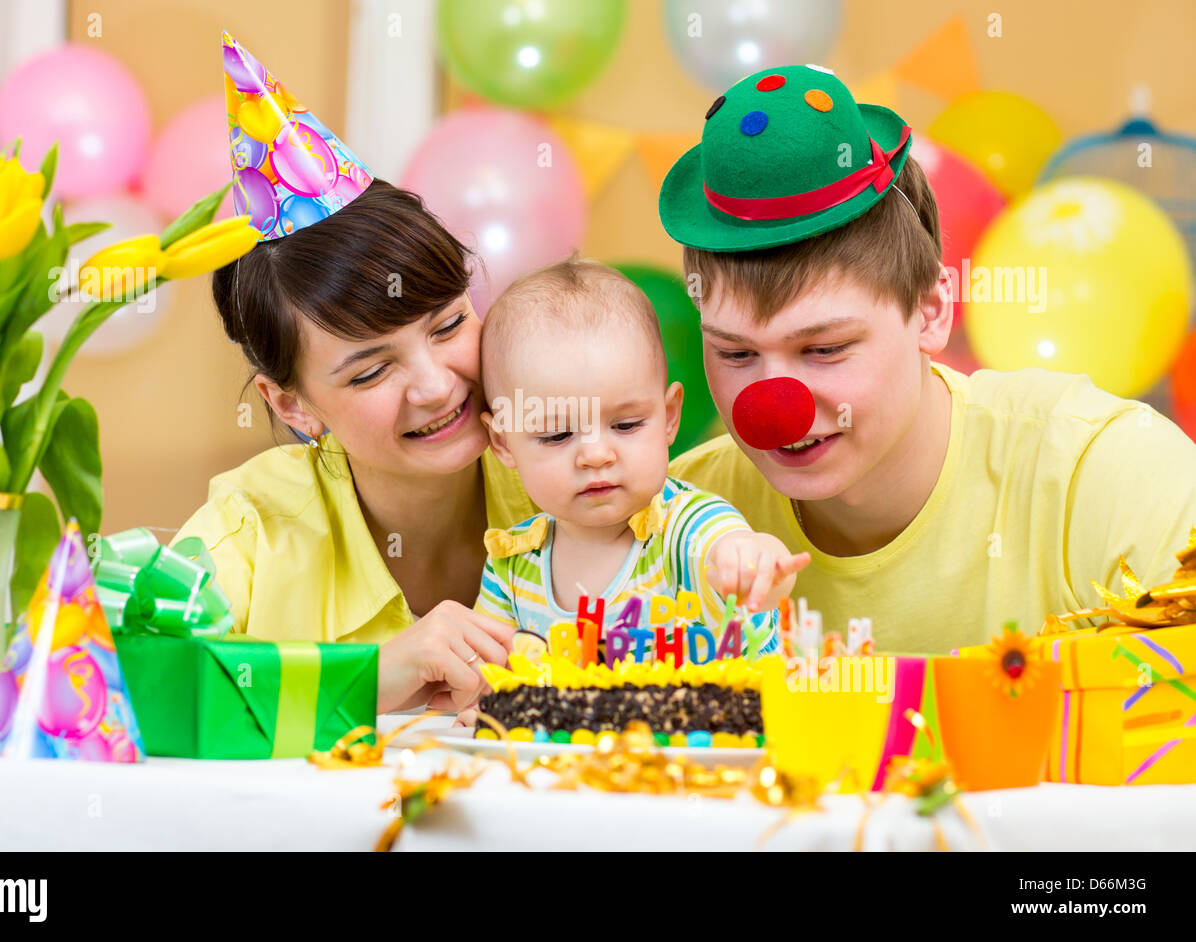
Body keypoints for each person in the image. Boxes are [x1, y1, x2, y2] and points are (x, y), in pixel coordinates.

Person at [658, 64, 1196, 653]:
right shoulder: (662, 521)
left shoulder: (1109, 478)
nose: (772, 410)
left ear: (932, 309)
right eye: (735, 353)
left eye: (825, 348)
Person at [174, 34, 537, 713]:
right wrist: (362, 678)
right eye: (371, 372)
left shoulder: (569, 473)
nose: (435, 385)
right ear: (291, 406)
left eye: (450, 325)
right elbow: (126, 687)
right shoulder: (250, 531)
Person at [473, 257, 809, 640]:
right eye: (556, 436)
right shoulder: (511, 565)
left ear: (668, 417)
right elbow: (486, 678)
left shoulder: (684, 528)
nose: (596, 456)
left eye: (626, 425)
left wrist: (753, 564)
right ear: (502, 442)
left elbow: (731, 551)